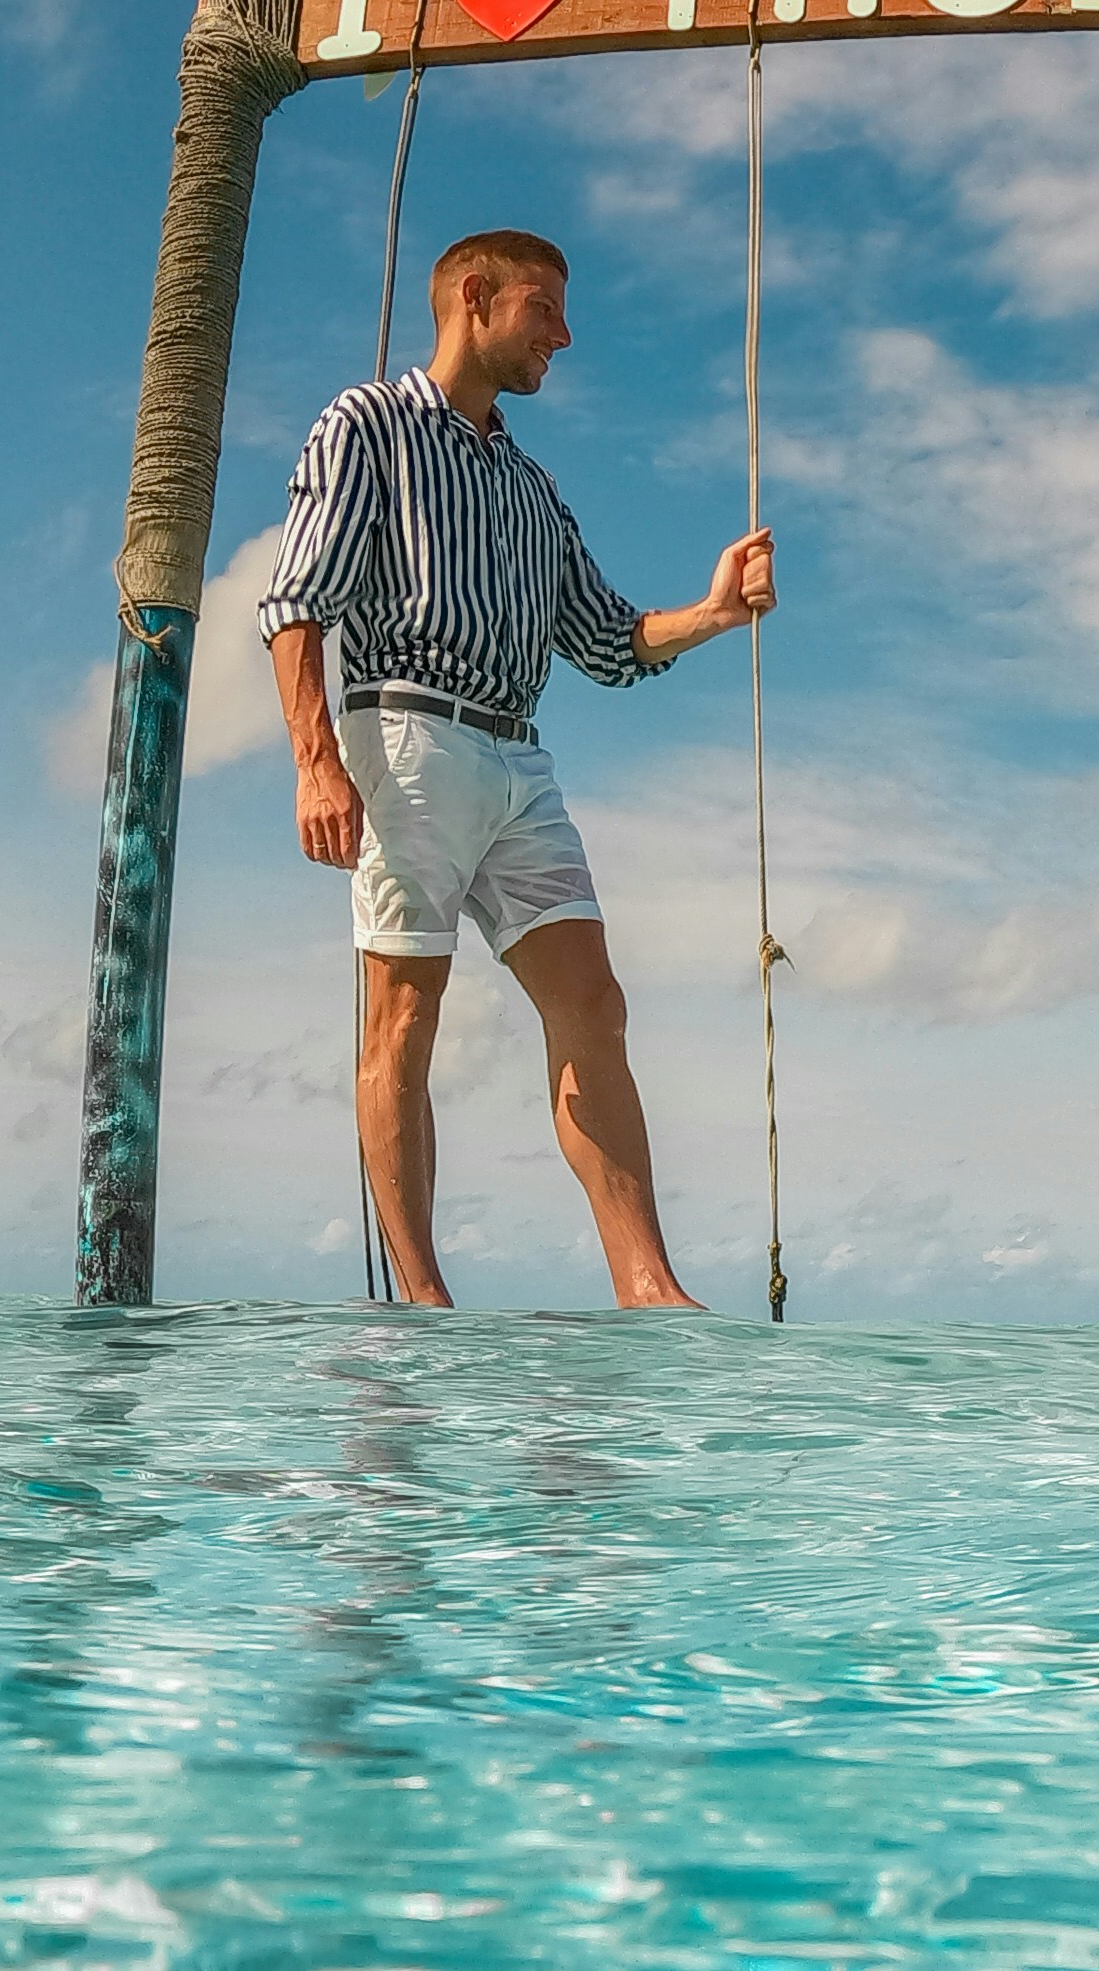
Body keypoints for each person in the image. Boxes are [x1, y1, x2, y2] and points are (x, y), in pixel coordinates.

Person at [261, 228, 774, 1310]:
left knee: (594, 999)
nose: (565, 335)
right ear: (475, 297)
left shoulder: (534, 489)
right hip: (406, 735)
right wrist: (316, 762)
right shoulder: (368, 425)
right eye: (545, 309)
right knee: (406, 1012)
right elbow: (295, 600)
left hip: (520, 757)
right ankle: (423, 1300)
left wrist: (715, 613)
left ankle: (651, 1290)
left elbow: (607, 641)